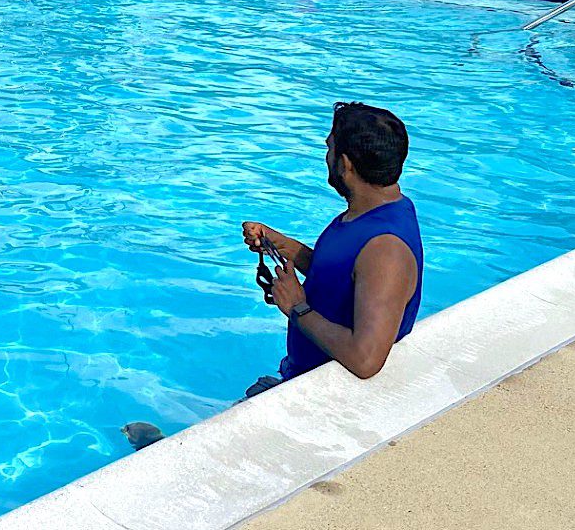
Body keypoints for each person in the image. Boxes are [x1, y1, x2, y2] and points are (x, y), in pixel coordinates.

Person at [123, 102, 423, 452]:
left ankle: (159, 448)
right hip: (301, 374)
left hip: (324, 400)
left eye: (329, 148)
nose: (325, 156)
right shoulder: (372, 213)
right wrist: (282, 245)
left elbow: (366, 359)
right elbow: (345, 277)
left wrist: (297, 307)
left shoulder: (386, 250)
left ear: (345, 164)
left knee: (198, 453)